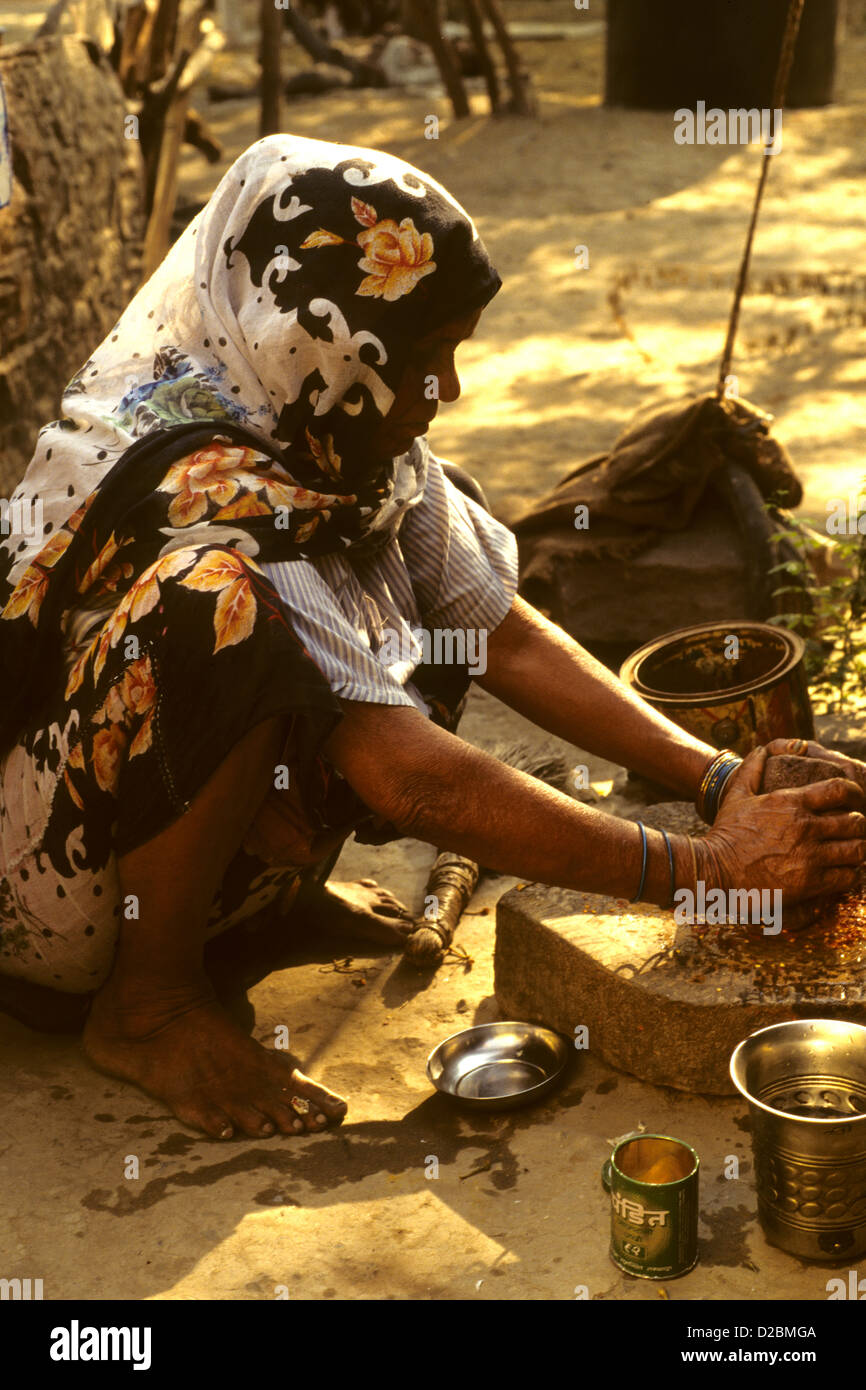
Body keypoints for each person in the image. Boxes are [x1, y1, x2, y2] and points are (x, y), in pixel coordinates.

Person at [1, 134, 864, 1143]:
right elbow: (405, 775)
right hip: (51, 900)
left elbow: (500, 633)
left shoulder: (331, 440)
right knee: (216, 614)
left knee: (414, 540)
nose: (446, 388)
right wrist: (702, 870)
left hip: (147, 829)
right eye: (422, 358)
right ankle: (148, 1006)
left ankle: (249, 912)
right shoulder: (201, 485)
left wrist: (714, 780)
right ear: (314, 343)